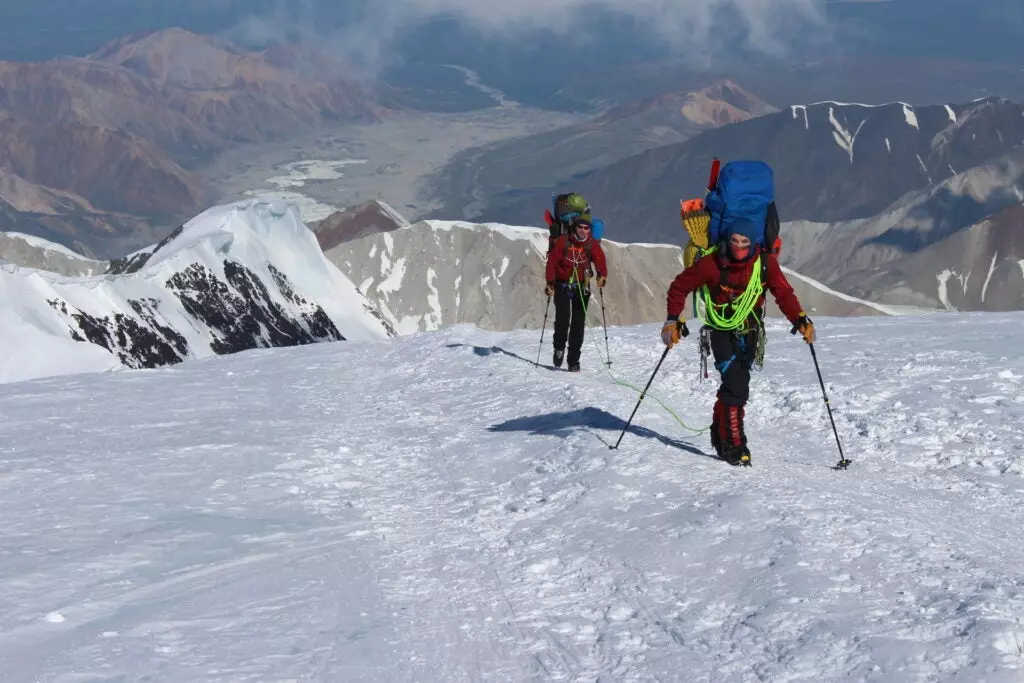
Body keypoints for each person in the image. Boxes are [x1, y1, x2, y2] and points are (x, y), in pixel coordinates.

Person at [660, 219, 815, 465]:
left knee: (737, 386)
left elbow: (783, 293)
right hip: (720, 329)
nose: (739, 246)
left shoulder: (765, 264)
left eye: (744, 241)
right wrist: (672, 320)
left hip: (750, 329)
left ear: (754, 243)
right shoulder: (711, 264)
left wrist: (800, 319)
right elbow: (679, 287)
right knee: (736, 383)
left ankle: (719, 431)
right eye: (734, 240)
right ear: (727, 240)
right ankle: (734, 442)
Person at [545, 216, 608, 372]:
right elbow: (552, 261)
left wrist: (602, 275)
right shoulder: (563, 242)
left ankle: (573, 360)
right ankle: (559, 348)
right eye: (580, 227)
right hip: (562, 285)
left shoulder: (591, 244)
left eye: (586, 228)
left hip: (582, 285)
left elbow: (600, 260)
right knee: (563, 319)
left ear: (589, 230)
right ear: (574, 228)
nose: (583, 230)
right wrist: (550, 282)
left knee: (578, 324)